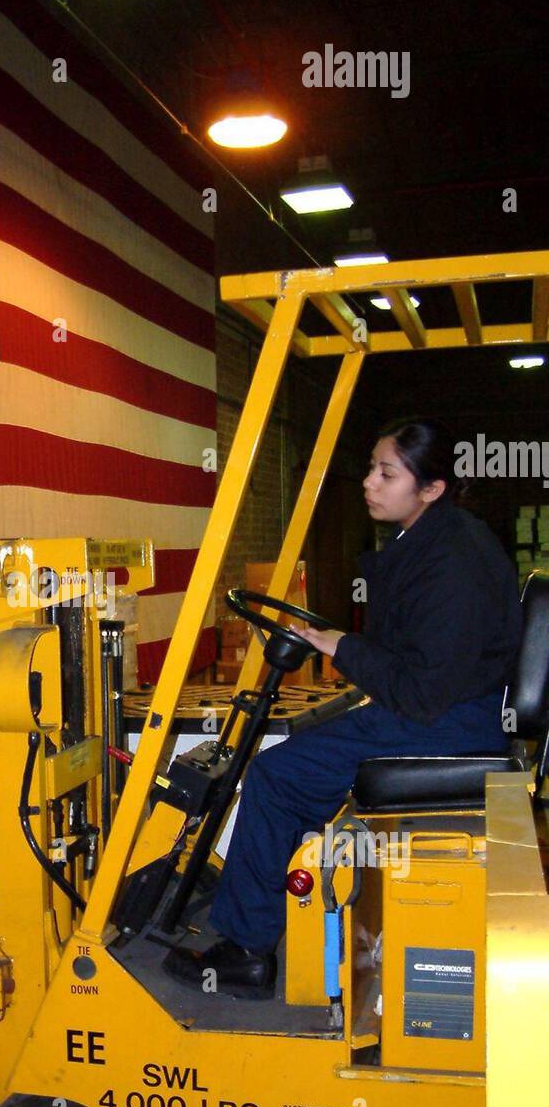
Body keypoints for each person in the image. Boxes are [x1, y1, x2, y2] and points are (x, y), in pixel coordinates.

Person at [164, 417, 523, 999]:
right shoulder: (435, 541)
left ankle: (248, 951)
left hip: (448, 723)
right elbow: (414, 658)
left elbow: (423, 688)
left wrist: (342, 648)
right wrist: (336, 643)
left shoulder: (452, 560)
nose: (369, 483)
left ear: (430, 488)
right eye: (370, 470)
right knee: (304, 758)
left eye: (387, 474)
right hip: (448, 709)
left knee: (275, 776)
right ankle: (303, 911)